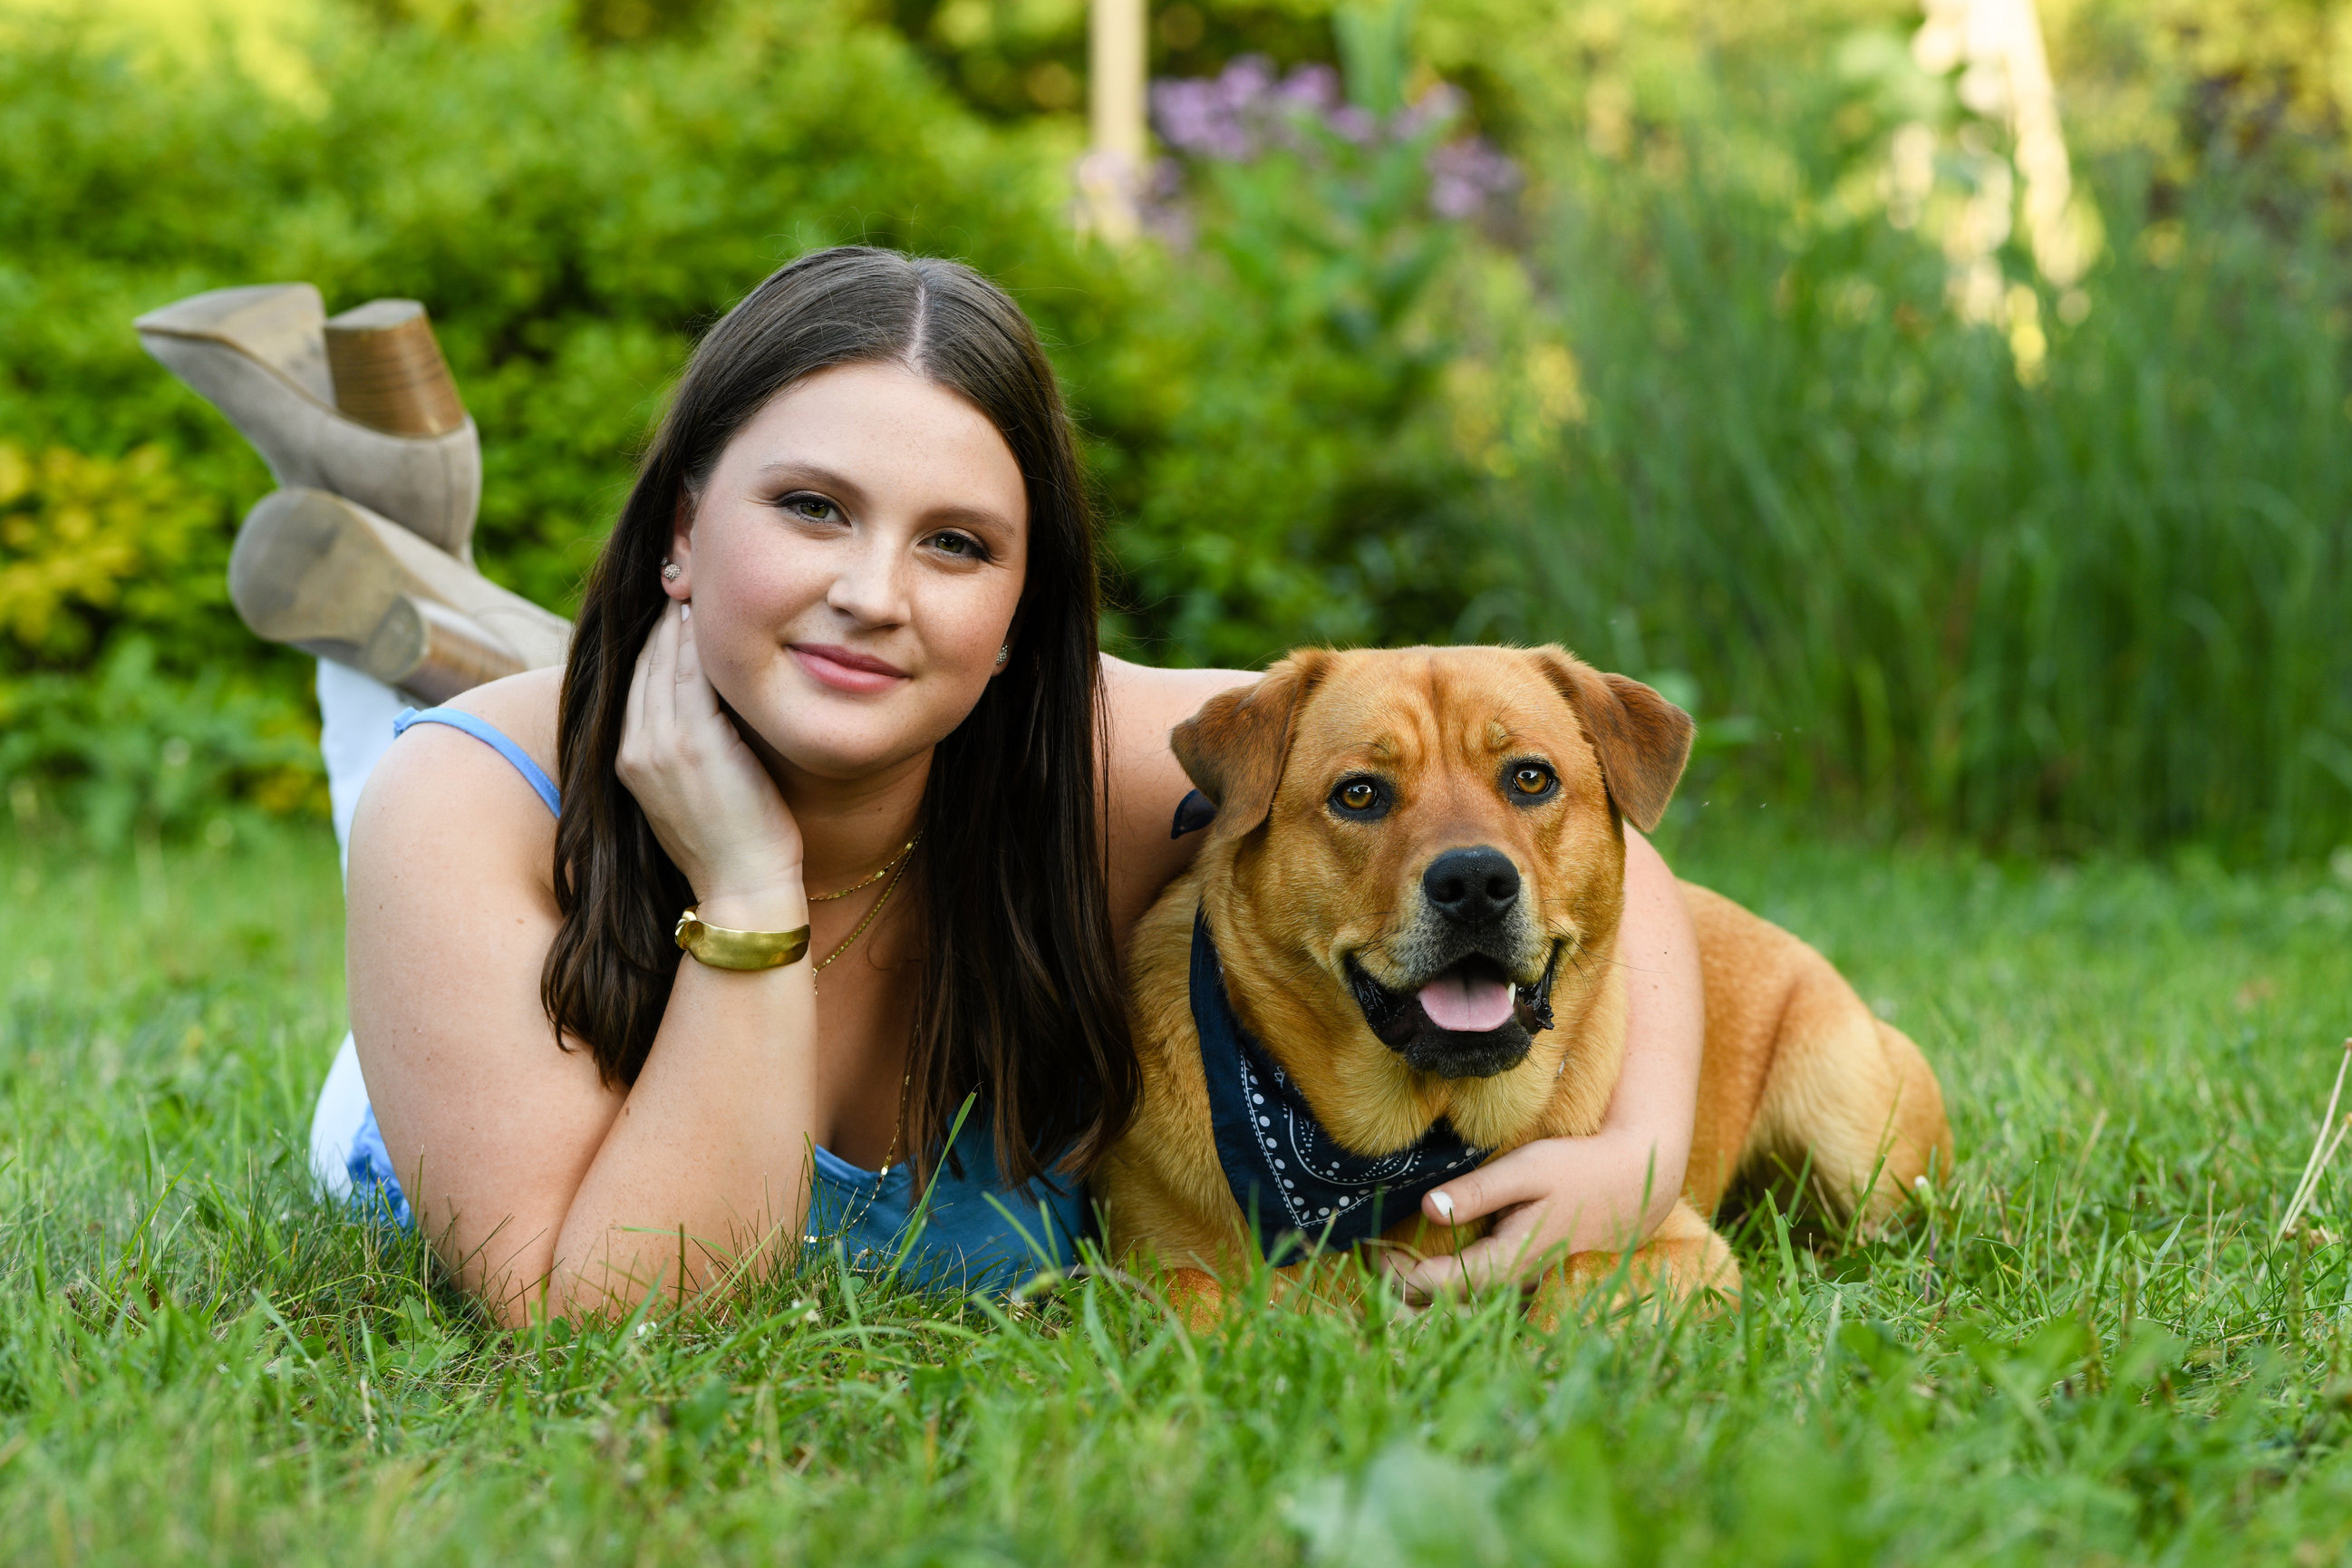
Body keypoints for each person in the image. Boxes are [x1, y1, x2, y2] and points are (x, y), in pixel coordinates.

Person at [146, 246, 1707, 1325]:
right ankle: (435, 634)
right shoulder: (466, 822)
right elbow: (620, 1312)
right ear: (681, 526)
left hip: (749, 665)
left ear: (1023, 609)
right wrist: (749, 889)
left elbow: (1592, 860)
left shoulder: (1096, 756)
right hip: (445, 1030)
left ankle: (429, 555)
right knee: (435, 741)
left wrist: (1632, 1157)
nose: (877, 591)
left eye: (955, 543)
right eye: (812, 506)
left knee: (769, 660)